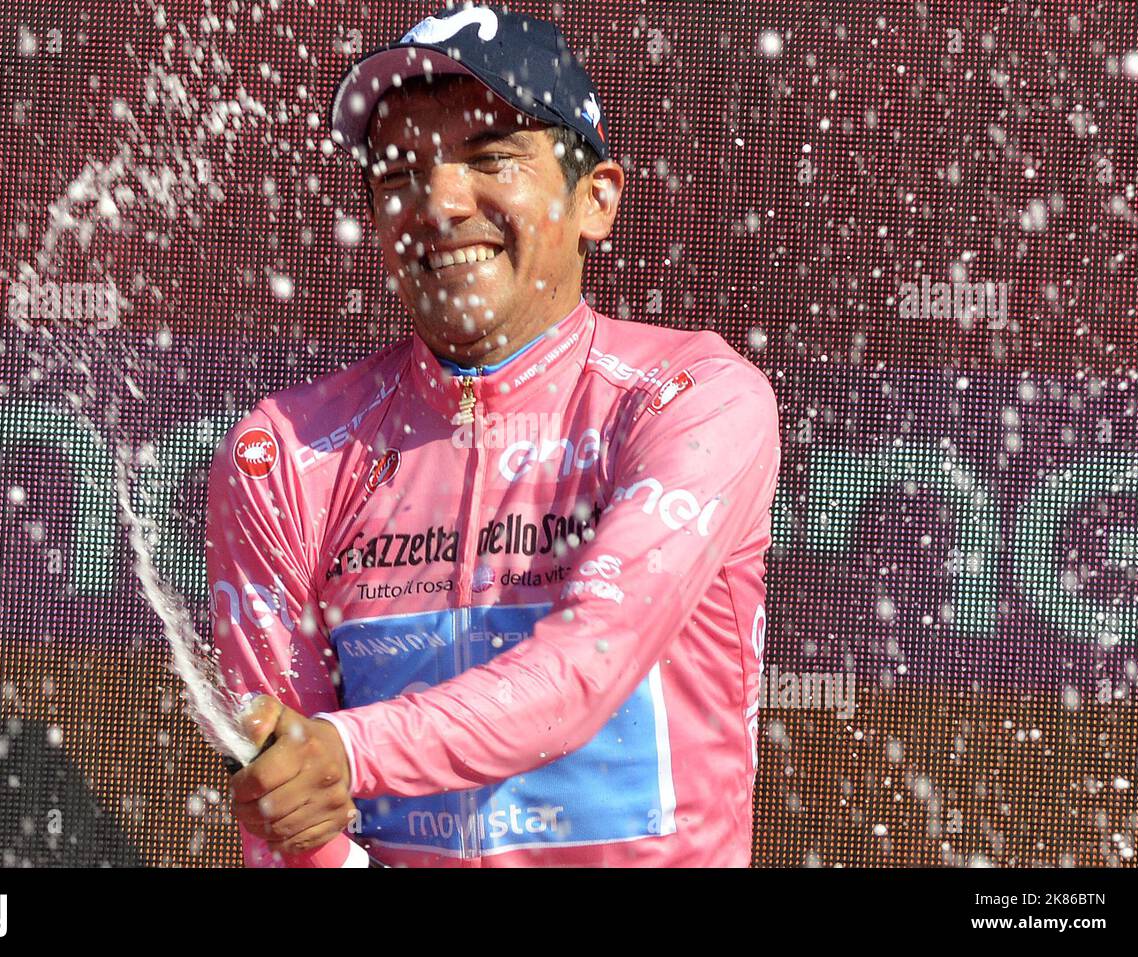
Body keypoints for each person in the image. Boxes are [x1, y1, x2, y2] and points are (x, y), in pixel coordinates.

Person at [206, 4, 781, 867]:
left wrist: (349, 752)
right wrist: (314, 776)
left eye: (488, 160)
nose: (438, 204)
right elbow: (288, 798)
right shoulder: (285, 452)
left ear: (596, 200)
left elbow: (584, 671)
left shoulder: (692, 399)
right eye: (402, 173)